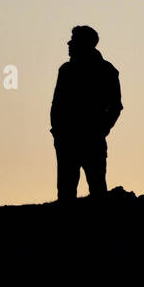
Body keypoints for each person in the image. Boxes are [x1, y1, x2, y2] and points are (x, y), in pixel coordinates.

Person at [50, 26, 123, 201]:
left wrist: (101, 129)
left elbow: (115, 106)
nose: (69, 43)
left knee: (97, 190)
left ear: (85, 44)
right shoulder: (66, 70)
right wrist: (57, 131)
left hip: (91, 139)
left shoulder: (106, 71)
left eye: (74, 40)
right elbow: (57, 104)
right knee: (66, 192)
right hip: (67, 139)